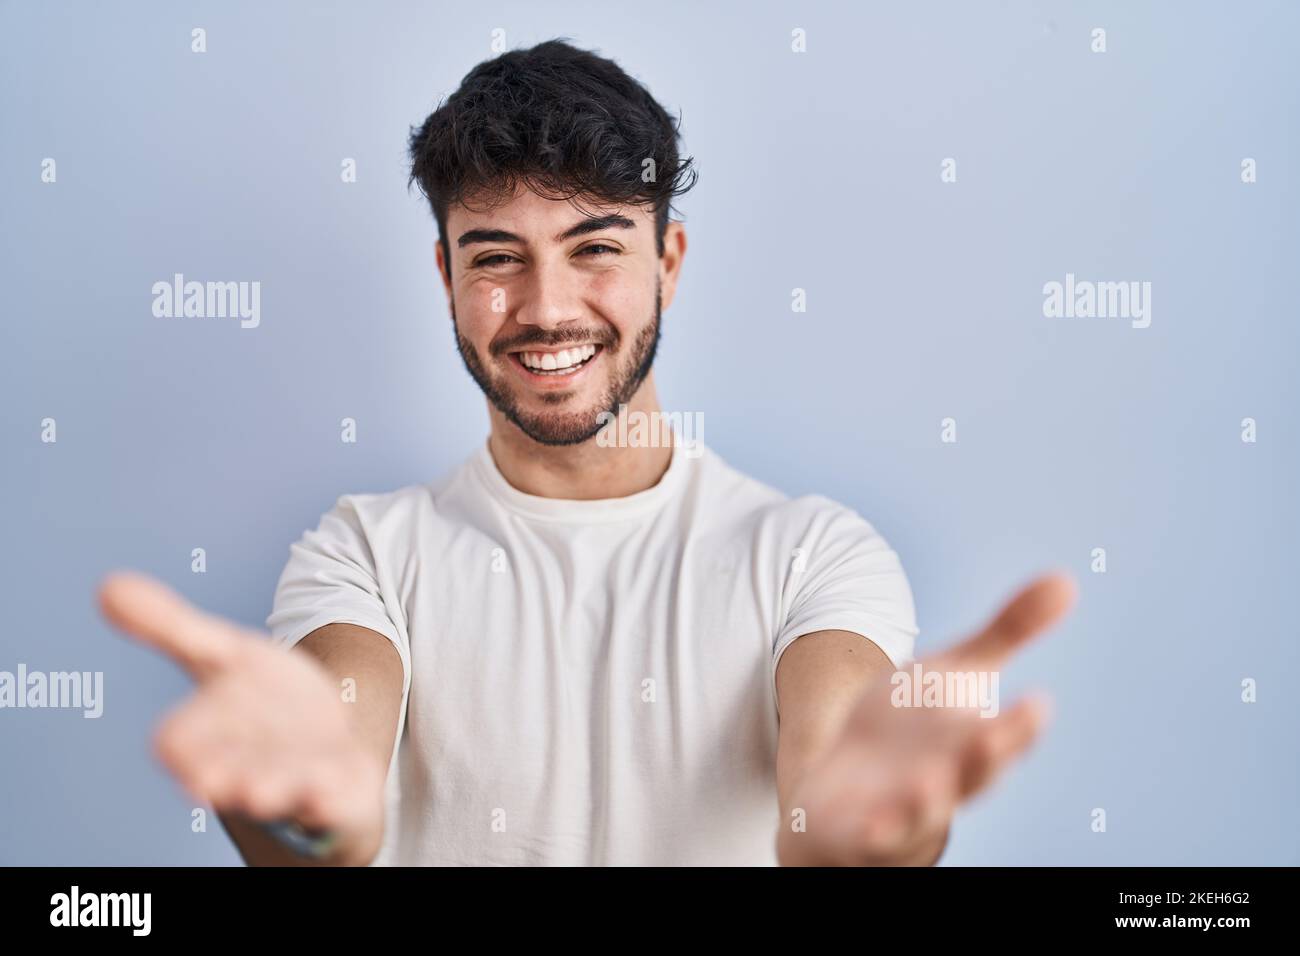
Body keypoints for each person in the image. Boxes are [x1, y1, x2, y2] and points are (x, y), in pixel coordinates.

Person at [98, 39, 1075, 866]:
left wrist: (869, 827)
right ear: (445, 274)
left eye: (595, 246)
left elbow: (828, 782)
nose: (547, 307)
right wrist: (305, 813)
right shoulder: (365, 554)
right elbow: (329, 770)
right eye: (495, 256)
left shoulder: (809, 554)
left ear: (668, 263)